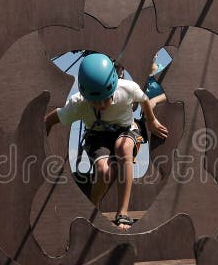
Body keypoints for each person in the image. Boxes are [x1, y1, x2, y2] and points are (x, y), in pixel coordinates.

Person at [45, 53, 168, 230]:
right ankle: (92, 209)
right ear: (86, 96)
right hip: (97, 136)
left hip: (126, 130)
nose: (102, 104)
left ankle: (123, 213)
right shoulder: (78, 103)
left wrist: (152, 120)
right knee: (104, 171)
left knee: (123, 148)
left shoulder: (126, 88)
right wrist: (38, 138)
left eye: (107, 98)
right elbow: (50, 119)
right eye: (96, 102)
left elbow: (144, 99)